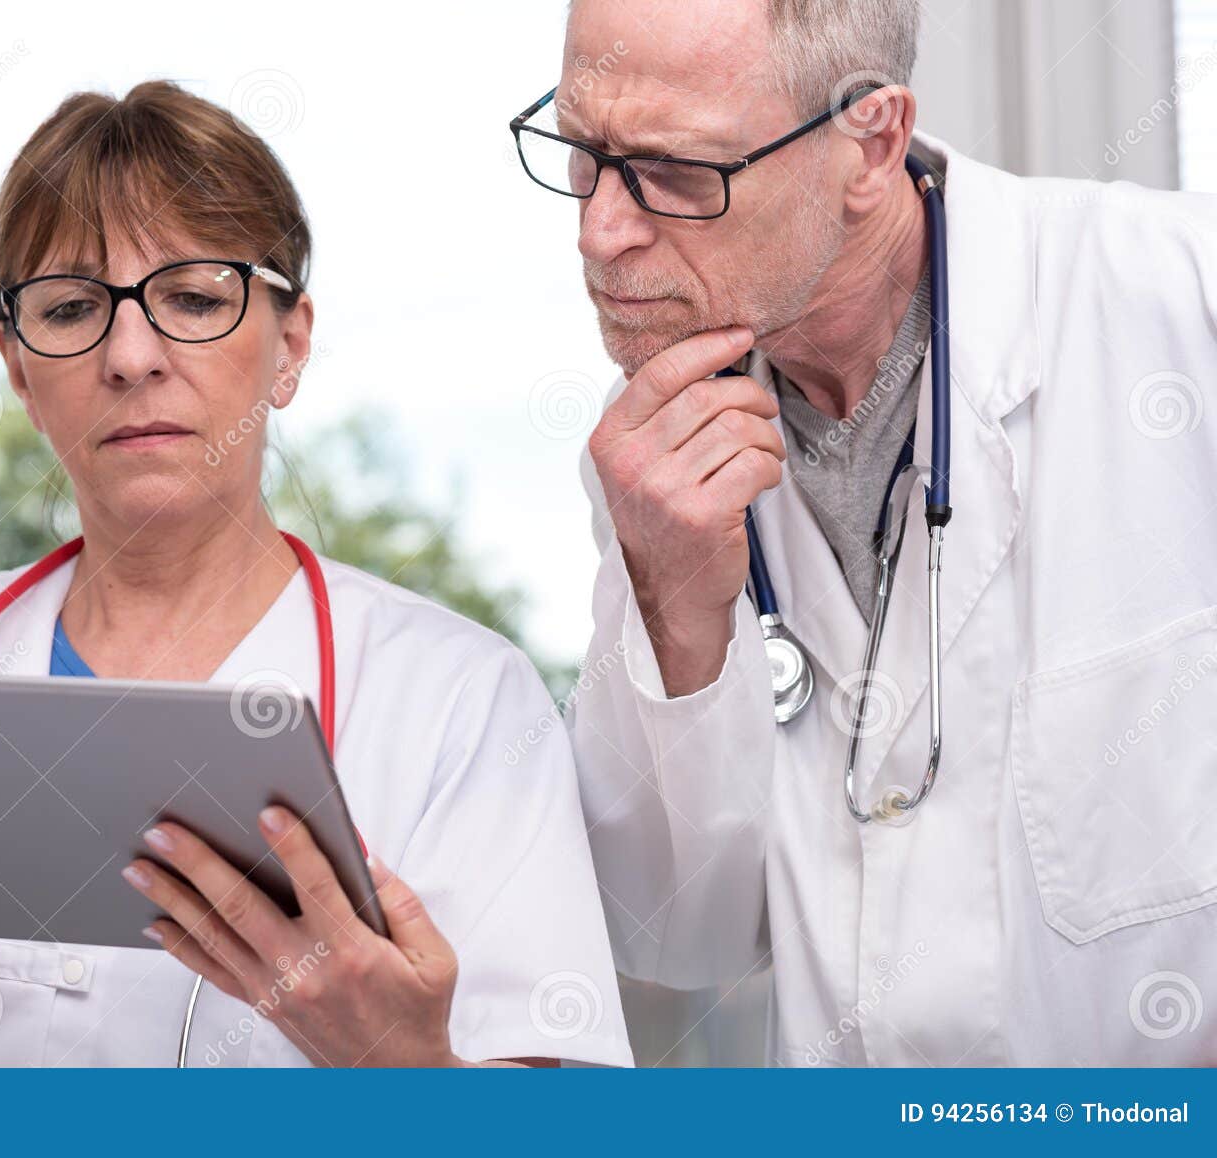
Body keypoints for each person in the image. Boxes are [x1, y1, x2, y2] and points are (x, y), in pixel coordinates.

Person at [0, 81, 631, 1069]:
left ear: (289, 344)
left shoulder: (458, 699)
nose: (131, 354)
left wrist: (404, 1076)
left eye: (193, 298)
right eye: (70, 310)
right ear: (20, 370)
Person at [519, 0, 1217, 1064]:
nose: (598, 230)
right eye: (581, 151)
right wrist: (671, 601)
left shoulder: (1179, 302)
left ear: (870, 140)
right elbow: (682, 934)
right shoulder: (653, 465)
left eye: (672, 170)